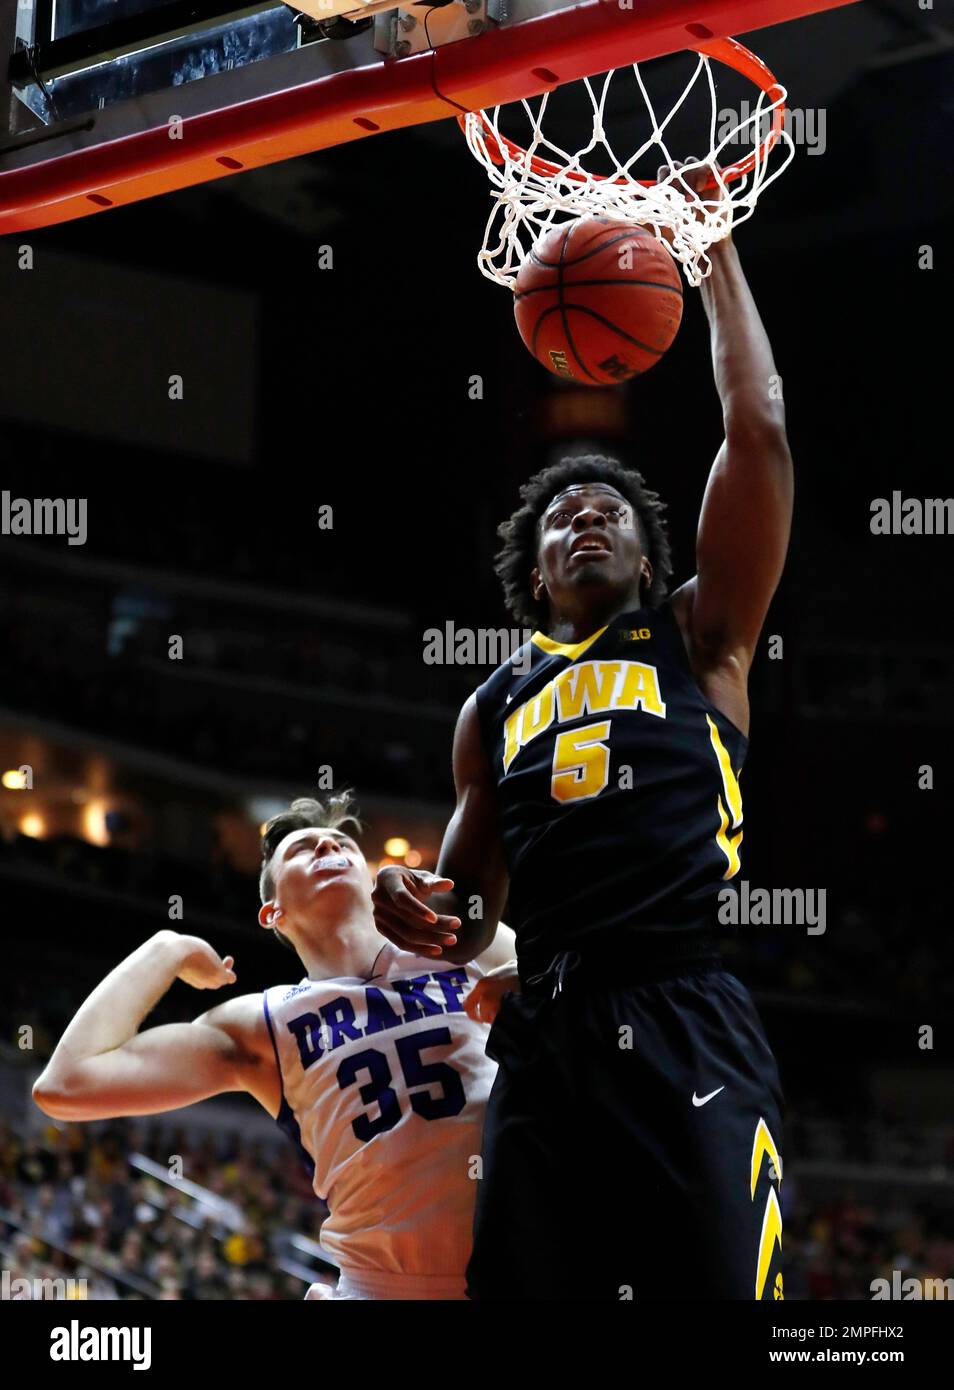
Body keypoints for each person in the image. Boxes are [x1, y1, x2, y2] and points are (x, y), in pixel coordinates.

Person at [371, 200, 792, 1300]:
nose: (588, 517)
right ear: (535, 565)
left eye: (612, 508)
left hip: (681, 1007)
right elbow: (464, 921)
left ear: (654, 560)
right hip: (549, 1029)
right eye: (566, 514)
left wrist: (715, 253)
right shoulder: (492, 705)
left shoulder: (700, 637)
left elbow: (759, 433)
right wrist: (408, 903)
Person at [33, 791, 517, 1301]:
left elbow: (581, 990)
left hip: (525, 1264)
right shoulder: (263, 1023)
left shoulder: (459, 938)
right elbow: (66, 1084)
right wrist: (166, 948)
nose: (327, 847)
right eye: (303, 848)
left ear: (370, 873)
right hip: (382, 1287)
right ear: (273, 912)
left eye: (341, 843)